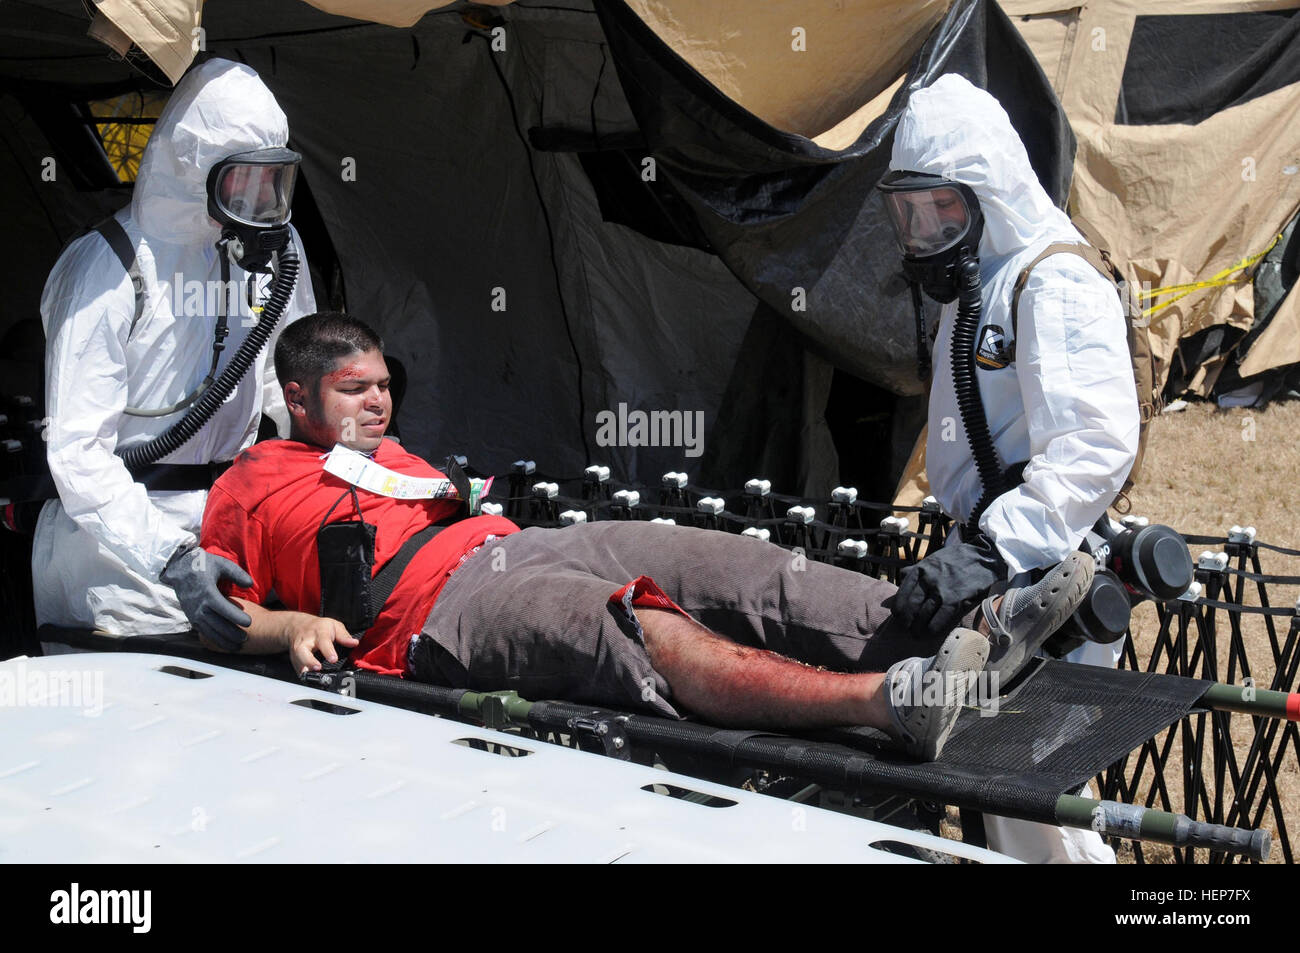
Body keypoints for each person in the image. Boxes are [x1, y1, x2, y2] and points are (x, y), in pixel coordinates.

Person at [196, 312, 1095, 762]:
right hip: (438, 610)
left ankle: (969, 633)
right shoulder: (250, 482)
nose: (380, 402)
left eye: (385, 385)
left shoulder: (385, 452)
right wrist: (289, 628)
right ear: (301, 397)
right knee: (636, 623)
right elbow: (221, 610)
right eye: (356, 391)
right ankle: (889, 700)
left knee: (735, 561)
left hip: (514, 541)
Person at [877, 75, 1141, 858]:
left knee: (1035, 791)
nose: (926, 230)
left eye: (943, 209)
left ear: (987, 192)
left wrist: (994, 547)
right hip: (995, 574)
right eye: (910, 212)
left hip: (1055, 579)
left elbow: (1094, 447)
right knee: (995, 795)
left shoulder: (1053, 279)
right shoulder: (978, 284)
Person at [35, 58, 316, 639]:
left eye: (275, 180)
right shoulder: (108, 264)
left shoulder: (276, 249)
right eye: (245, 179)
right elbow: (78, 451)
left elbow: (293, 383)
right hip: (117, 558)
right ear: (196, 173)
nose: (263, 199)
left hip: (234, 531)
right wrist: (172, 557)